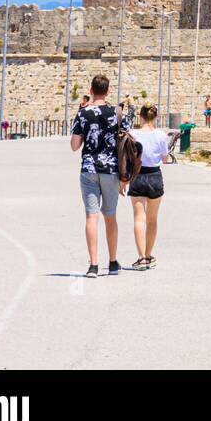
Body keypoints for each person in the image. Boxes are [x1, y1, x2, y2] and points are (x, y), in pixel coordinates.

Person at [70, 74, 131, 278]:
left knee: (91, 216)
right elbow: (127, 142)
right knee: (110, 216)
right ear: (108, 91)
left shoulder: (83, 113)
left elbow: (74, 146)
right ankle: (112, 262)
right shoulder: (118, 113)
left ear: (91, 90)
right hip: (111, 171)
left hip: (89, 169)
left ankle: (93, 265)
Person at [128, 104, 169, 270]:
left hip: (137, 175)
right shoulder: (161, 135)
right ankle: (148, 254)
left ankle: (141, 258)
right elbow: (165, 159)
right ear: (155, 117)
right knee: (152, 220)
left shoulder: (133, 134)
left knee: (139, 218)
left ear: (141, 116)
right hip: (154, 176)